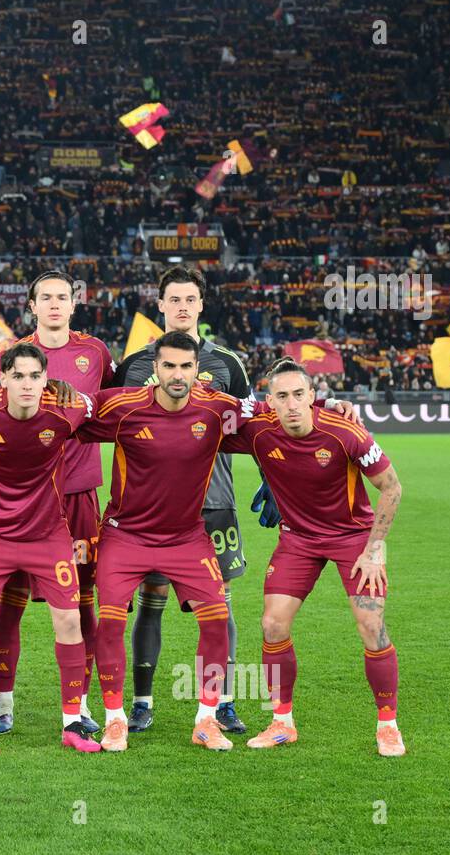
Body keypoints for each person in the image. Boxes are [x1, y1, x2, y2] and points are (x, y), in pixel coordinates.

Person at [221, 358, 406, 756]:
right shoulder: (258, 431)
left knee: (371, 624)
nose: (291, 404)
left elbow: (391, 488)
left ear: (313, 396)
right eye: (282, 396)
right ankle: (282, 722)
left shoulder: (345, 431)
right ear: (270, 400)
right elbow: (201, 425)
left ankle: (388, 724)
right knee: (272, 624)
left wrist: (375, 551)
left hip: (353, 536)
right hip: (298, 539)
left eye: (299, 395)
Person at [79, 331, 243, 751]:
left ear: (196, 370)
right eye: (168, 365)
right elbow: (68, 418)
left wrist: (330, 406)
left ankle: (206, 720)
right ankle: (115, 718)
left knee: (216, 618)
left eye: (185, 366)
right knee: (111, 621)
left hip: (187, 538)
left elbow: (274, 414)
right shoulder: (122, 406)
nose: (177, 374)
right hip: (125, 535)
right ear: (154, 368)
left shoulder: (218, 409)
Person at [113, 264, 259, 734]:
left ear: (201, 305)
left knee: (221, 605)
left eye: (189, 299)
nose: (181, 307)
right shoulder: (134, 365)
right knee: (151, 600)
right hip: (150, 508)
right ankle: (141, 703)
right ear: (160, 305)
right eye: (172, 299)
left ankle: (223, 704)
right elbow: (112, 424)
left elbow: (256, 422)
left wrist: (275, 478)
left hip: (214, 501)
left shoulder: (228, 364)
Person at [0, 270, 116, 735]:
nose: (55, 304)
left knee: (81, 604)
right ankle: (1, 702)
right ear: (31, 305)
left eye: (63, 297)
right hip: (18, 501)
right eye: (45, 298)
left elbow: (110, 402)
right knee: (8, 604)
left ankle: (80, 704)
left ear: (74, 304)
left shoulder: (95, 351)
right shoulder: (10, 356)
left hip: (78, 497)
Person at [0, 342, 100, 755]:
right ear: (2, 379)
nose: (27, 384)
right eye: (17, 376)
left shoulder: (66, 410)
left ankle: (72, 721)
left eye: (36, 376)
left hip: (47, 535)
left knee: (70, 622)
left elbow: (101, 406)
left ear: (46, 380)